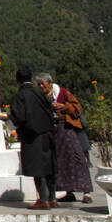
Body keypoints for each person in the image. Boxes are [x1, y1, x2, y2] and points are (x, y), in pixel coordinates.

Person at [38, 74, 92, 204]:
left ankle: (86, 192)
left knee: (77, 158)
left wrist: (64, 107)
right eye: (39, 84)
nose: (41, 86)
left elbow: (77, 108)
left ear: (50, 84)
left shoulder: (62, 93)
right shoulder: (41, 97)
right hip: (54, 131)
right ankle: (68, 192)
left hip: (67, 129)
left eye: (43, 84)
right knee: (60, 162)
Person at [9, 67, 56, 210]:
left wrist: (9, 118)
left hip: (32, 136)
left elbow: (20, 117)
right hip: (47, 133)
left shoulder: (20, 96)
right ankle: (52, 198)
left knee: (37, 168)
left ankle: (42, 200)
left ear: (17, 81)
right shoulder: (40, 93)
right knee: (49, 166)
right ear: (31, 79)